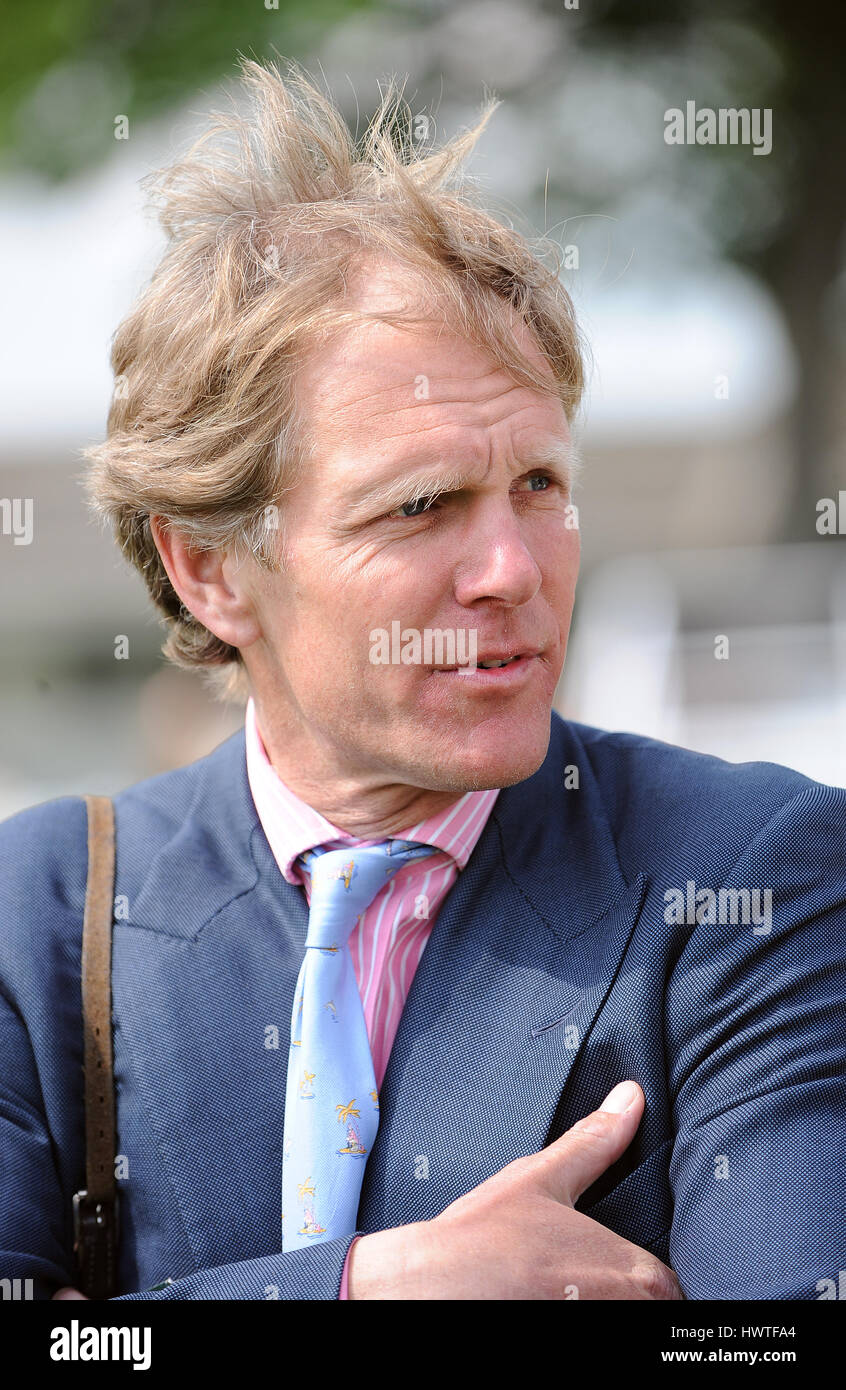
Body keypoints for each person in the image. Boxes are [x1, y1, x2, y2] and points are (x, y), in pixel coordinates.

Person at [1, 58, 843, 1302]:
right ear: (212, 568)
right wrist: (373, 1288)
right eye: (422, 504)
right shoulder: (42, 914)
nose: (513, 567)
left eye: (541, 486)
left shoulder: (752, 876)